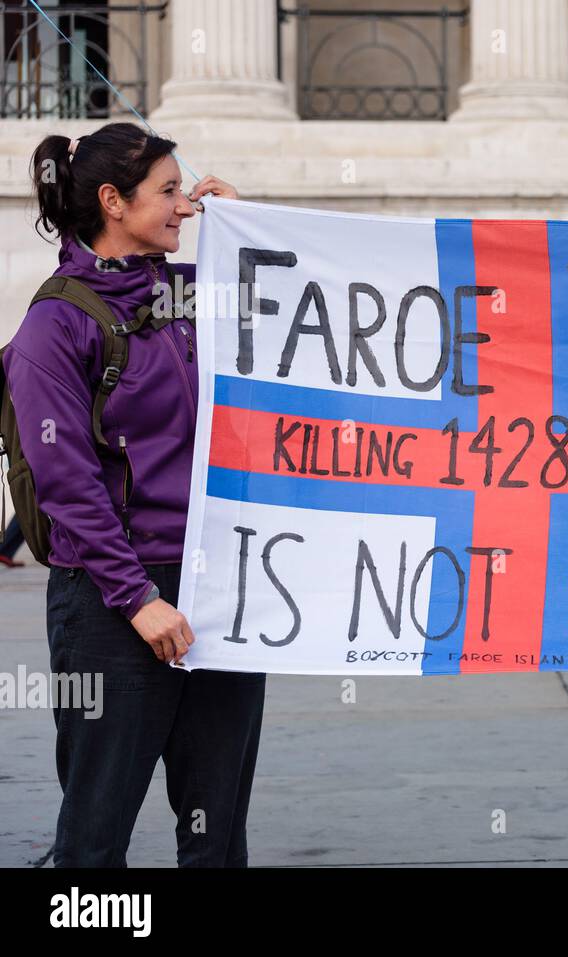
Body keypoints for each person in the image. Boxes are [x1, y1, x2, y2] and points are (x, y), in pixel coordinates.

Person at [1, 122, 266, 867]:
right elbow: (65, 480)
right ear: (114, 202)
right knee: (94, 834)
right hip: (111, 602)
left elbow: (278, 343)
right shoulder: (54, 323)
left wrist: (247, 238)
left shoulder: (189, 291)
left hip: (218, 591)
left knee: (217, 836)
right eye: (170, 191)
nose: (186, 205)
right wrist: (138, 598)